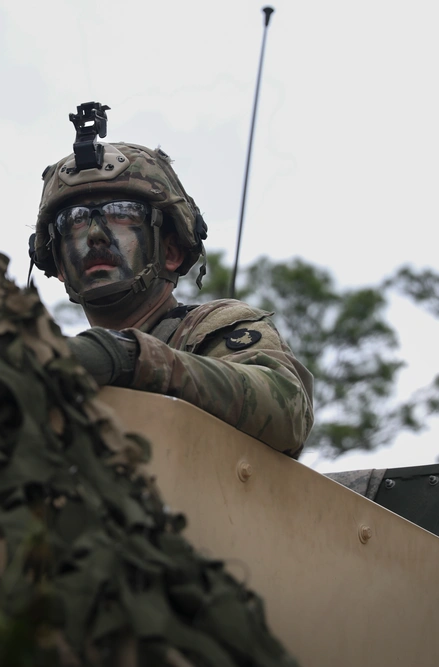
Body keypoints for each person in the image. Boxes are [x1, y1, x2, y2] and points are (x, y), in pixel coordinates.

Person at [29, 104, 314, 458]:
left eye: (121, 213)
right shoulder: (50, 368)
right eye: (74, 220)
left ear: (171, 251)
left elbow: (287, 409)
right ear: (58, 265)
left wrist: (131, 359)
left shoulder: (208, 331)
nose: (95, 235)